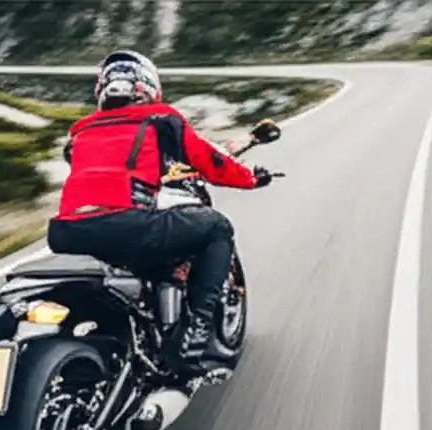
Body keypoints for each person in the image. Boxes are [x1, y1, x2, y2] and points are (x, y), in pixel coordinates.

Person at [46, 50, 274, 375]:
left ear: (102, 90)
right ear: (147, 87)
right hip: (128, 224)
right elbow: (211, 162)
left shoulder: (79, 133)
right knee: (216, 228)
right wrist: (251, 178)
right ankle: (193, 335)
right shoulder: (161, 118)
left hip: (66, 232)